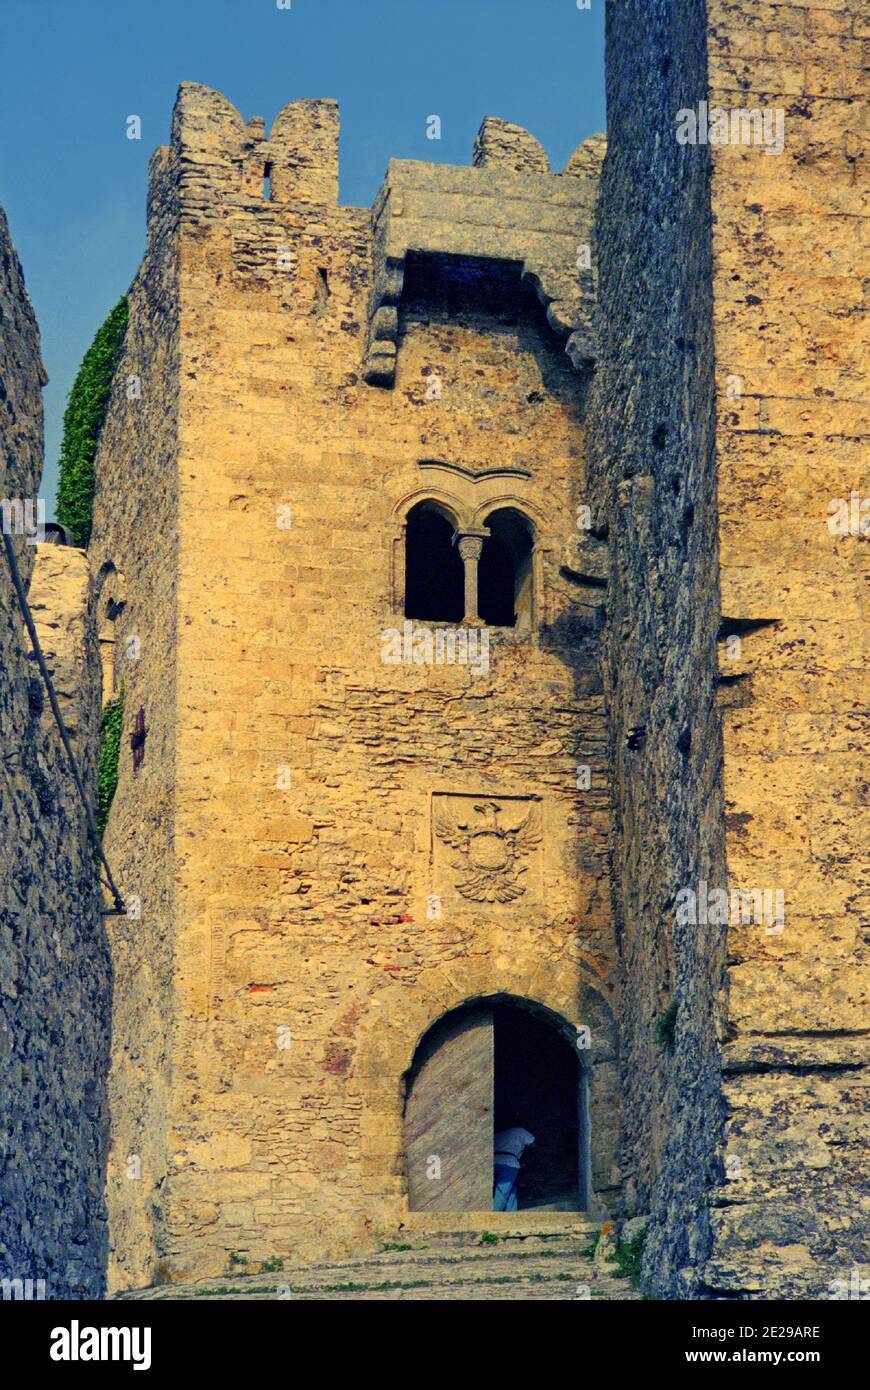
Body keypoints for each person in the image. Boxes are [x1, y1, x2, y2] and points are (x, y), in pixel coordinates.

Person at [493, 1126, 535, 1211]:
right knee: (503, 1191)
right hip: (509, 1163)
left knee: (511, 1190)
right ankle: (494, 1214)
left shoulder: (498, 1134)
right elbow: (533, 1143)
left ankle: (511, 1212)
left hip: (494, 1161)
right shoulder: (519, 1130)